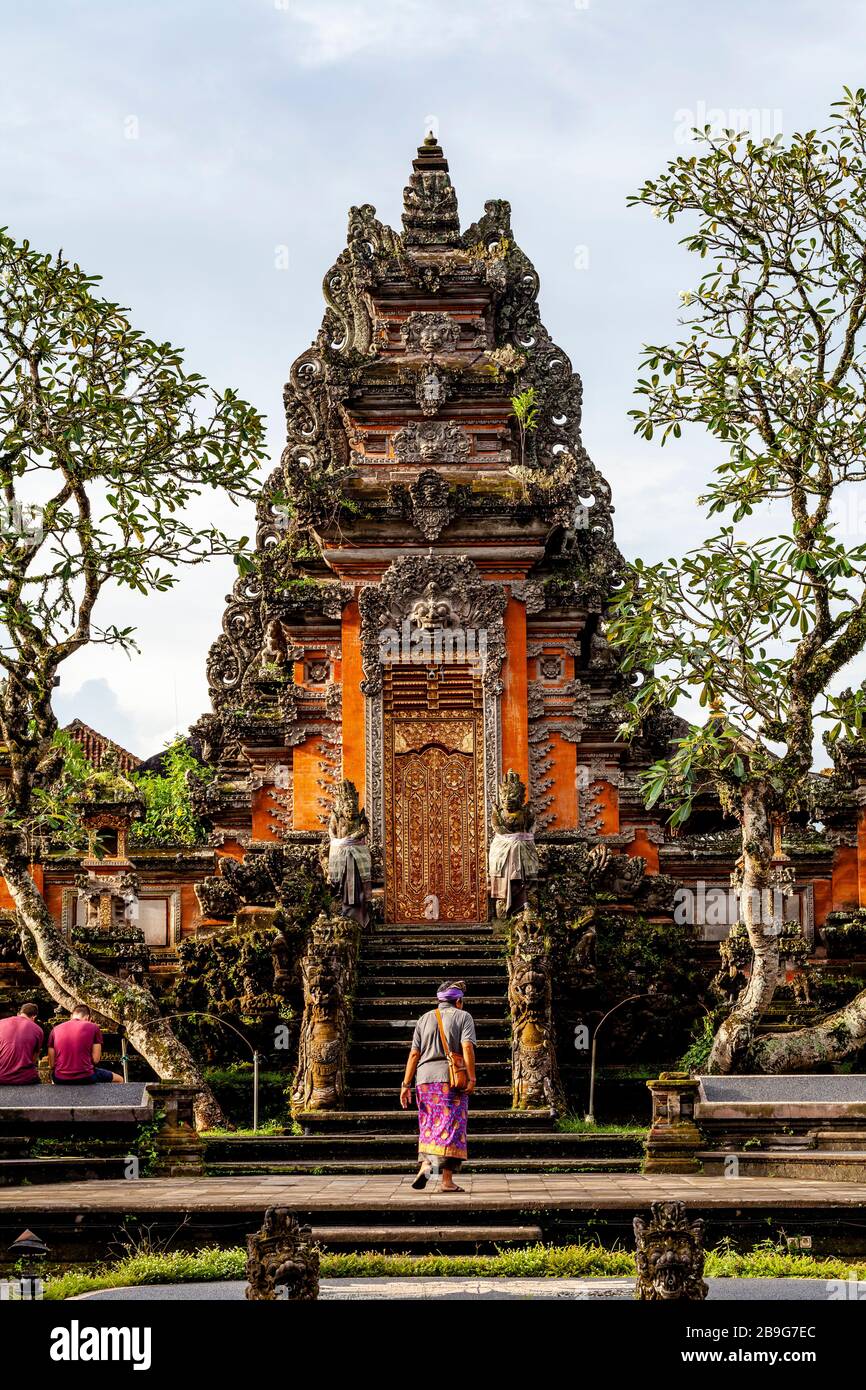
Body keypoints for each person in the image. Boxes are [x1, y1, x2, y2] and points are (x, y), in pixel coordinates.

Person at [400, 980, 476, 1193]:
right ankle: (439, 1174)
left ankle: (433, 1170)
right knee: (451, 1127)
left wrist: (406, 1084)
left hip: (424, 1080)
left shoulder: (424, 1018)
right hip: (451, 1080)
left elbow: (414, 1054)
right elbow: (467, 1047)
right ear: (458, 1001)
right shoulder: (464, 1017)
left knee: (431, 1126)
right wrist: (472, 1078)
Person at [48, 1005, 122, 1084]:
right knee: (119, 1079)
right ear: (88, 1018)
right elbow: (96, 1060)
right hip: (86, 1076)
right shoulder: (94, 1027)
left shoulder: (55, 1030)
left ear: (71, 1016)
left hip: (60, 1078)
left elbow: (52, 1064)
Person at [0, 1003, 44, 1085]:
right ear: (34, 1017)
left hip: (1, 1076)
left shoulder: (1, 1023)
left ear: (19, 1014)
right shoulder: (38, 1030)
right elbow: (34, 1058)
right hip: (25, 1078)